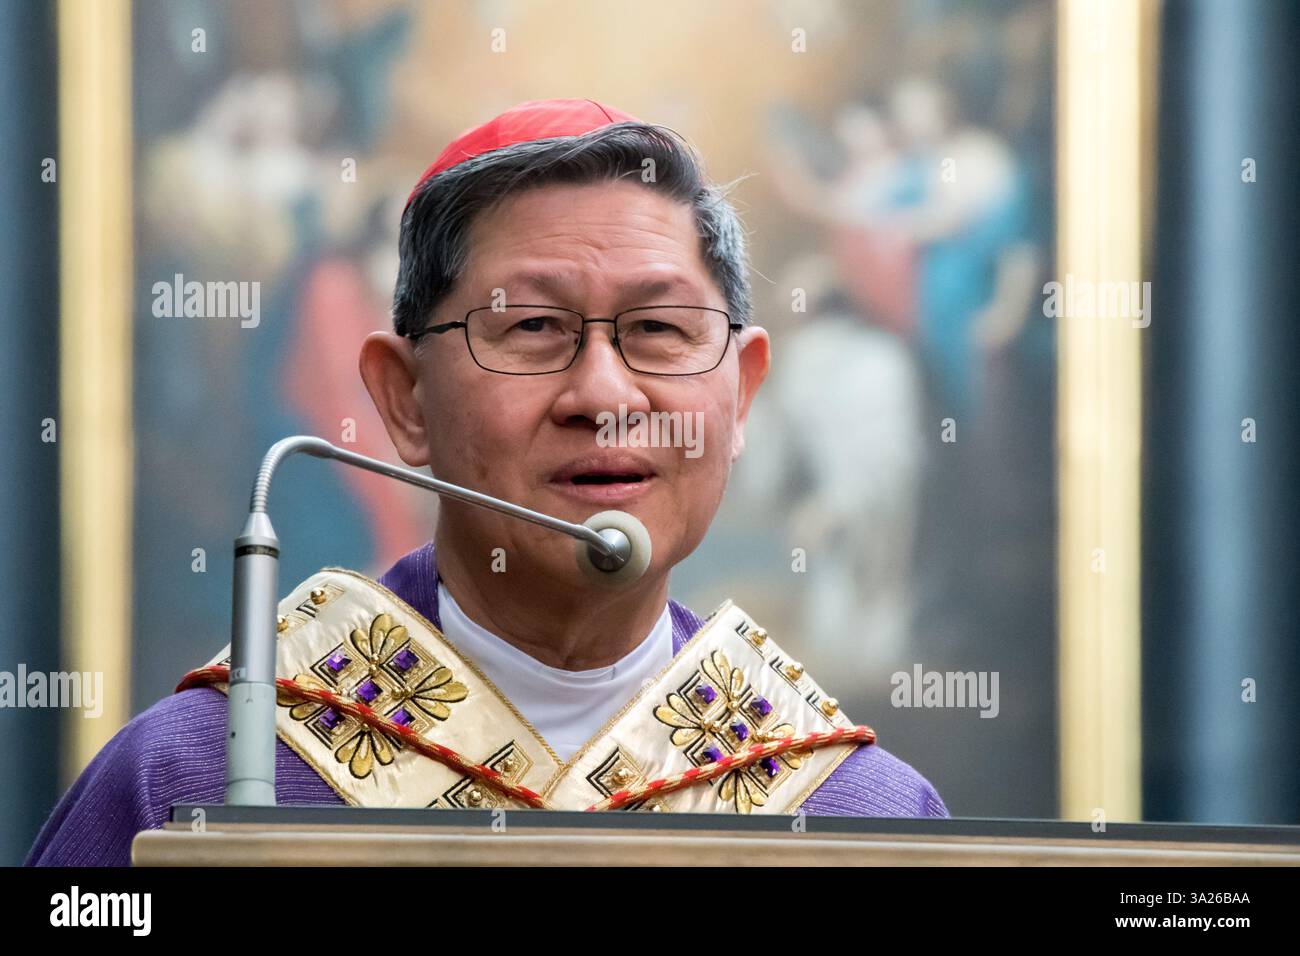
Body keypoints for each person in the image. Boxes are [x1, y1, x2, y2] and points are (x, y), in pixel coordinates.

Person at [28, 98, 947, 866]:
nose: (603, 395)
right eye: (533, 328)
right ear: (406, 400)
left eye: (660, 330)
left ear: (741, 394)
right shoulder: (186, 784)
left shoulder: (864, 816)